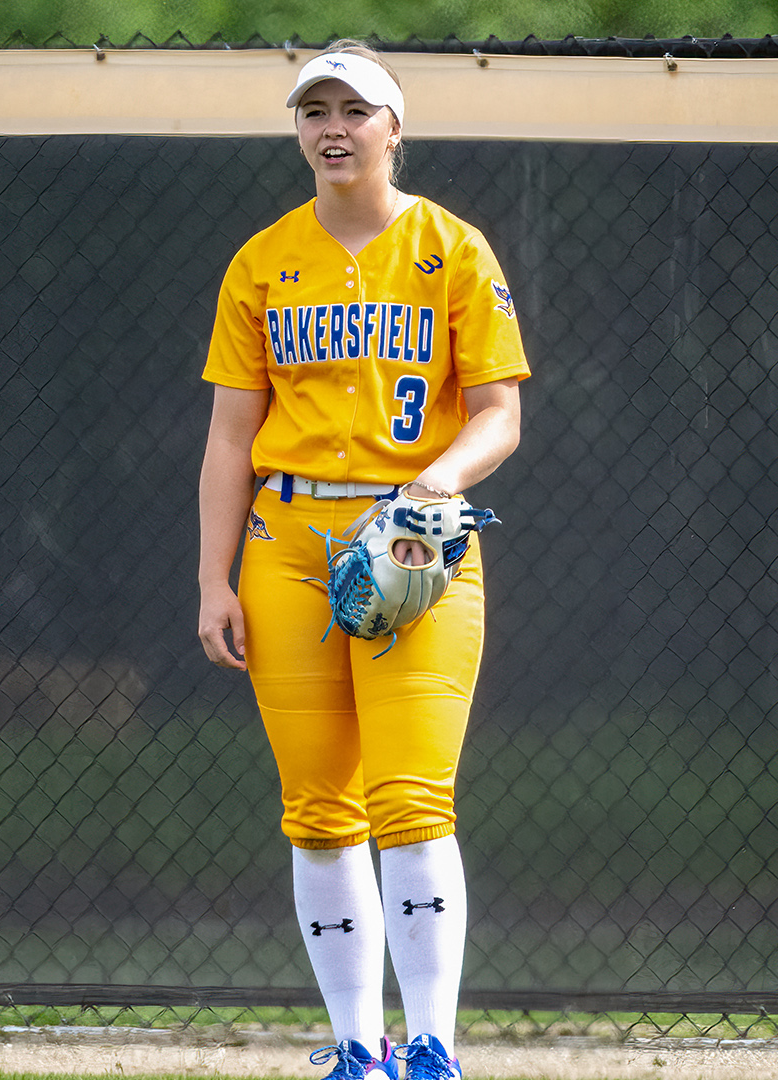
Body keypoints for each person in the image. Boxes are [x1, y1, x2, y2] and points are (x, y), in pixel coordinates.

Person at [195, 40, 530, 1080]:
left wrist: (435, 484)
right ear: (298, 131)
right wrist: (213, 578)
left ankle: (429, 1044)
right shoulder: (262, 260)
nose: (333, 127)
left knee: (413, 798)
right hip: (285, 544)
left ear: (395, 127)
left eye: (354, 109)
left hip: (412, 536)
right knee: (317, 808)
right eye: (314, 111)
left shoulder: (452, 247)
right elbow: (227, 438)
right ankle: (356, 1049)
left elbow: (499, 416)